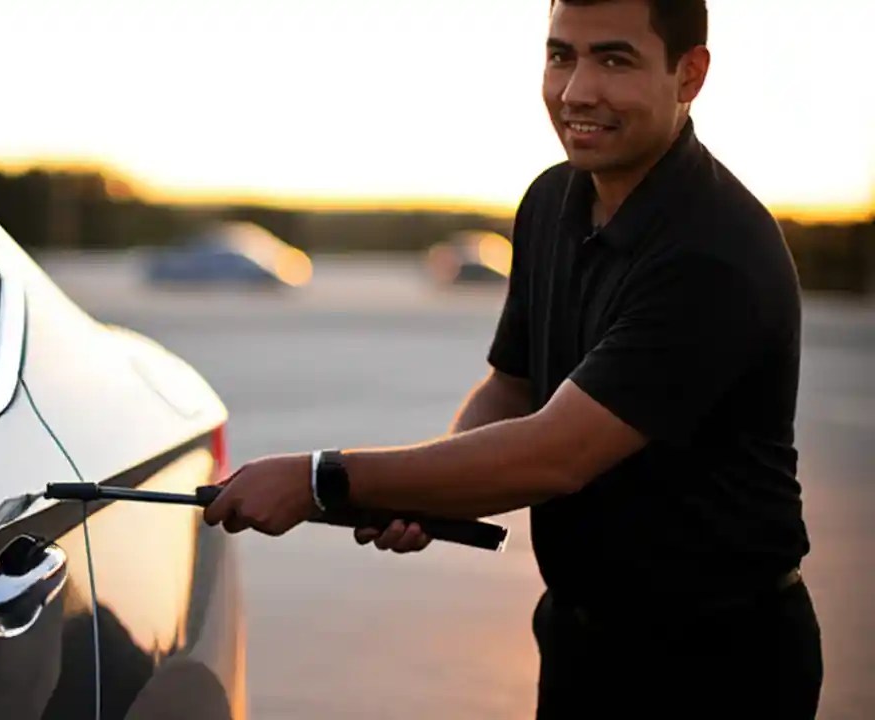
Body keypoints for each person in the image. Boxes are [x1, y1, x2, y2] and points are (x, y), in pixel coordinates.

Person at [201, 0, 824, 717]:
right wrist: (420, 493)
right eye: (561, 55)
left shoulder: (714, 251)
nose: (576, 91)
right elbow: (512, 385)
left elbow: (555, 454)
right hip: (579, 641)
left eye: (613, 59)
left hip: (721, 665)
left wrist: (322, 479)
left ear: (690, 74)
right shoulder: (550, 200)